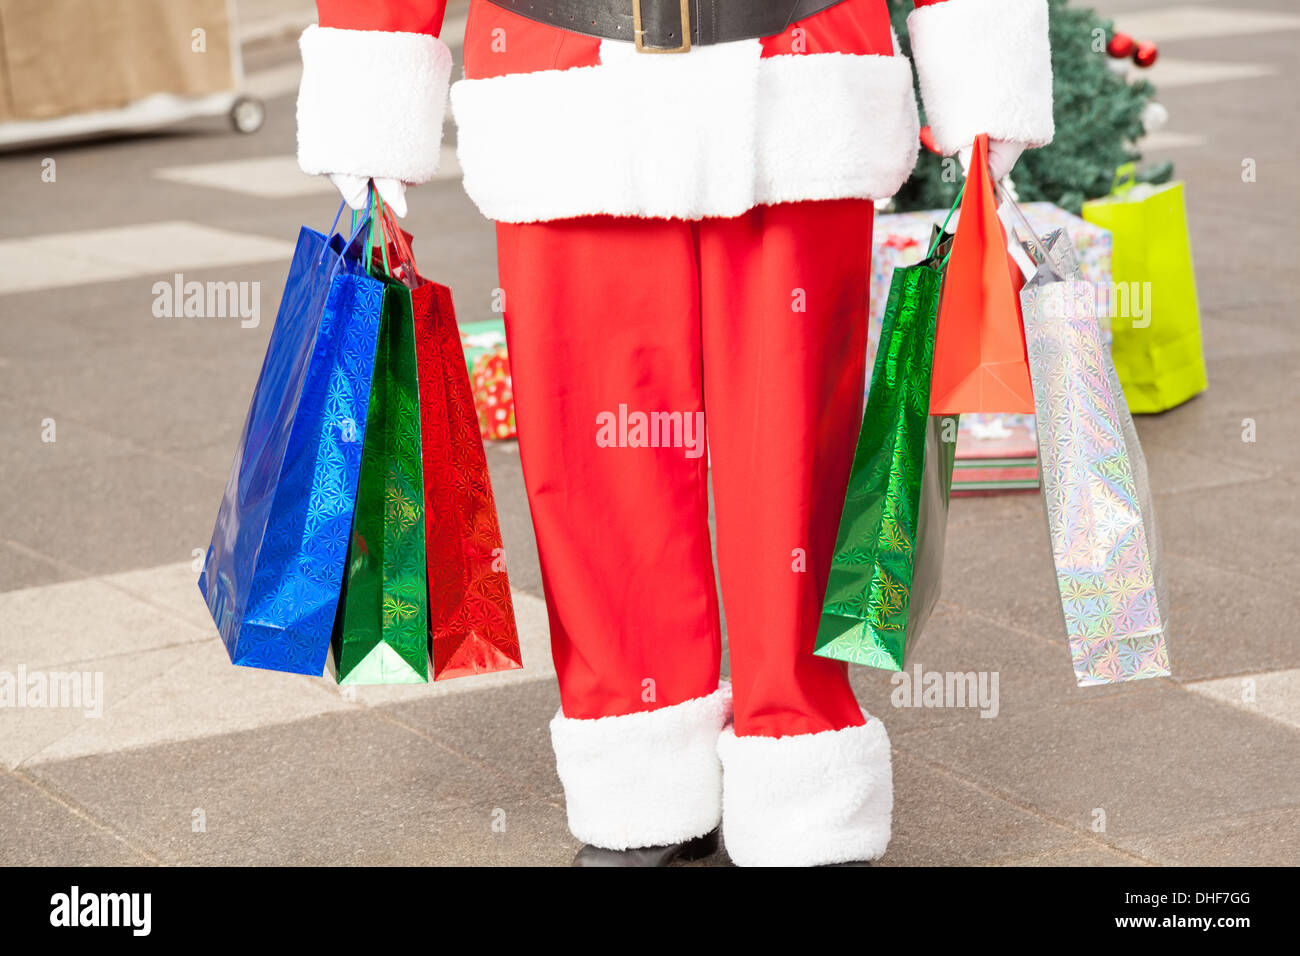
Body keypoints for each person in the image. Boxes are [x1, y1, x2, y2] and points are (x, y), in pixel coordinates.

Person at [295, 0, 1054, 866]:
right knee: (593, 452)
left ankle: (800, 764)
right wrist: (375, 68)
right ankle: (637, 763)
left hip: (798, 69)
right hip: (566, 76)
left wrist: (983, 77)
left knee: (799, 452)